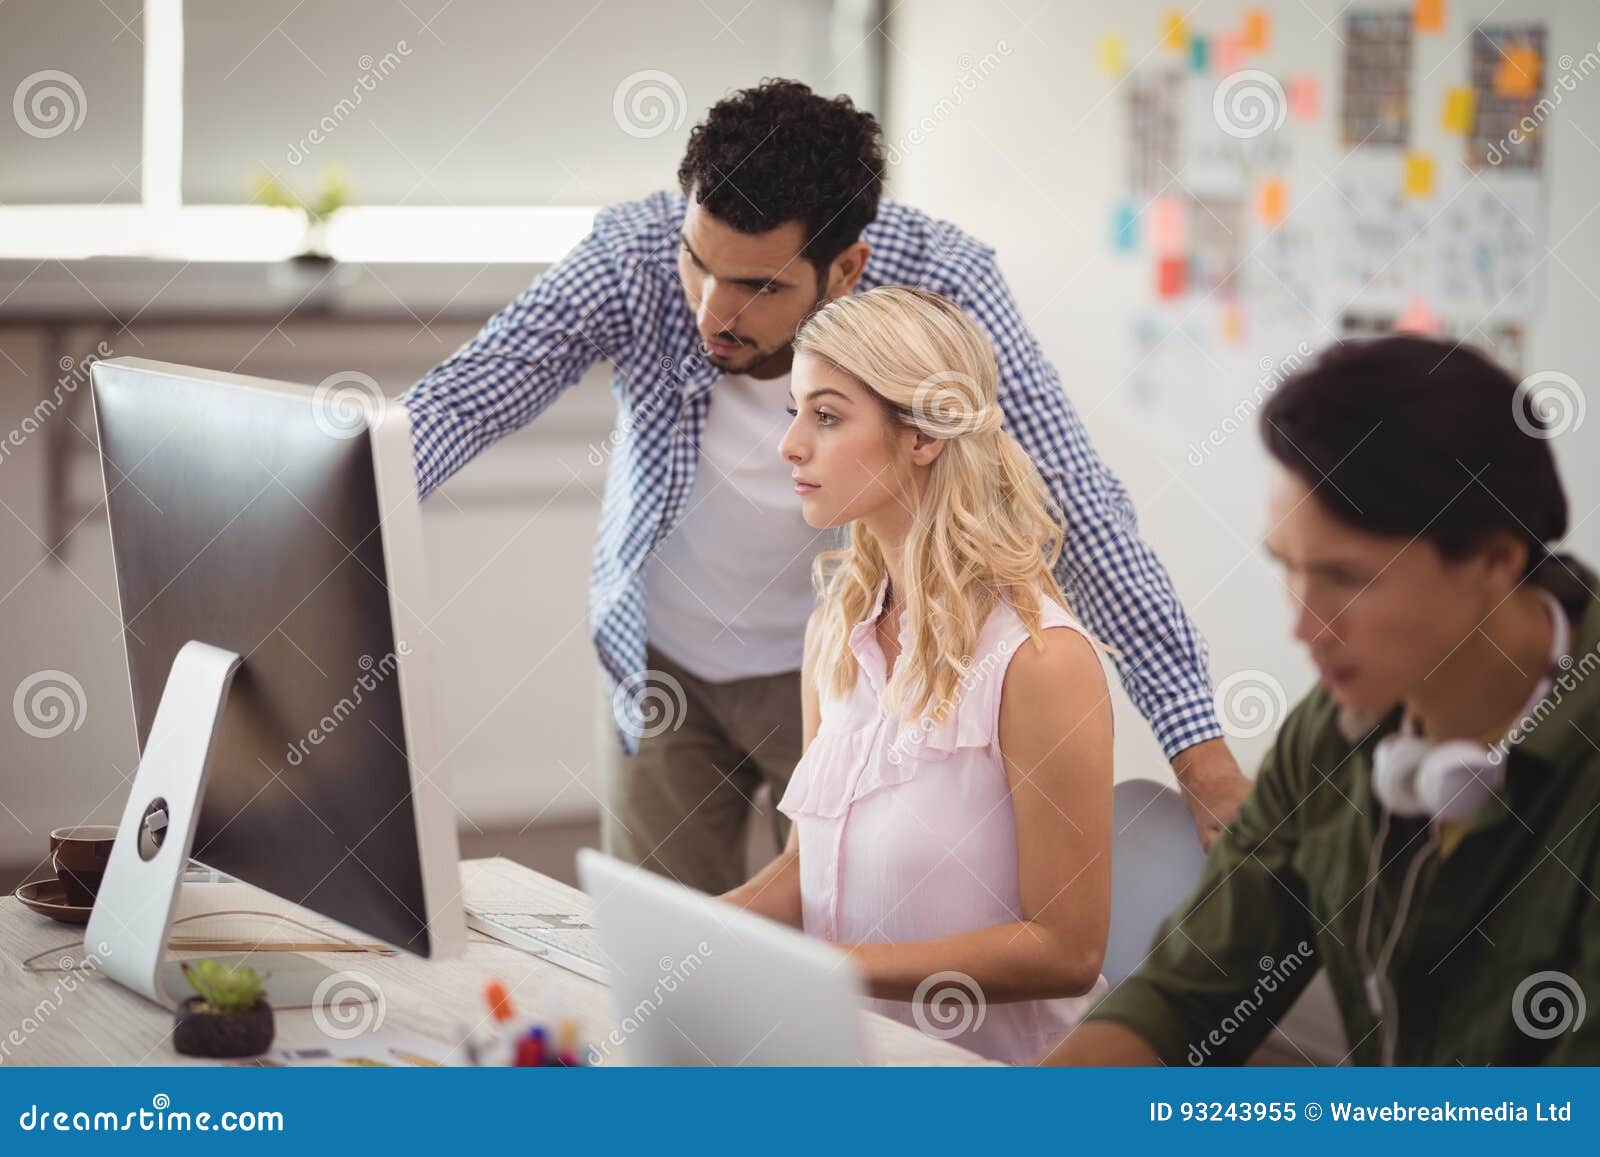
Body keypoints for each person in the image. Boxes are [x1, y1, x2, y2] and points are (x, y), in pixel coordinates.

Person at [400, 79, 1246, 896]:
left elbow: (1071, 501)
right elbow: (465, 399)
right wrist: (322, 520)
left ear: (845, 269)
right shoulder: (634, 255)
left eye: (758, 286)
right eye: (699, 264)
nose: (710, 313)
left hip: (844, 669)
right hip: (661, 666)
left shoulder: (941, 288)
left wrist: (1196, 748)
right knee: (661, 946)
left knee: (837, 938)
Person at [1045, 335, 1600, 1066]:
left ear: (1495, 559)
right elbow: (1186, 994)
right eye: (1290, 569)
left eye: (1348, 578)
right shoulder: (1338, 731)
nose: (1304, 627)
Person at [720, 286, 1112, 1065]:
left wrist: (831, 971)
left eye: (825, 416)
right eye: (795, 411)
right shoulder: (836, 631)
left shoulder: (1041, 661)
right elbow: (807, 865)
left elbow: (1068, 949)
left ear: (925, 436)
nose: (790, 445)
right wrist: (691, 932)